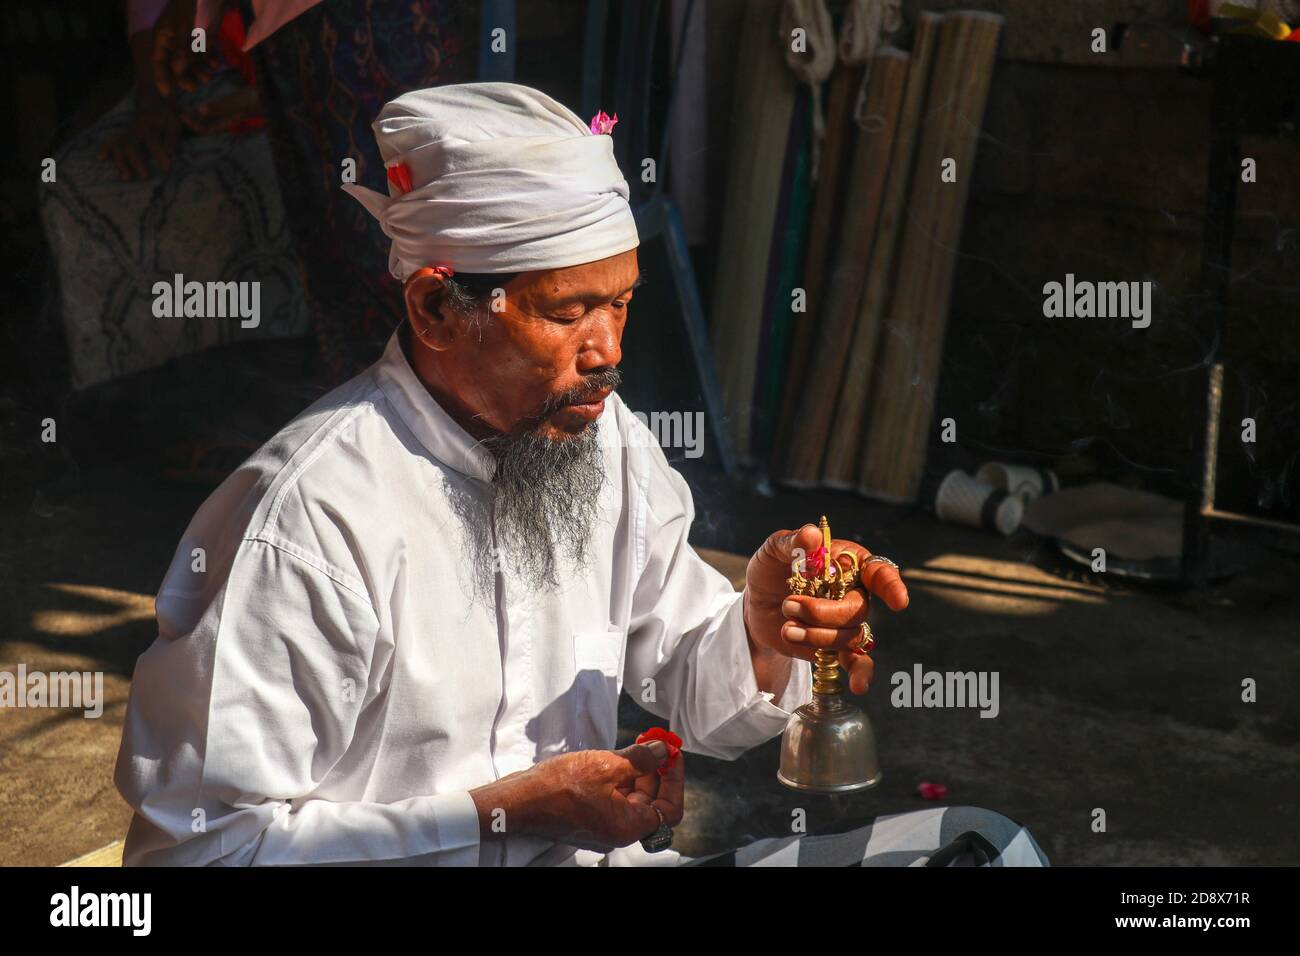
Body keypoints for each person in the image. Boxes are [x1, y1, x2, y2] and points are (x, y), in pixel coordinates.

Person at [114, 82, 1047, 867]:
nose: (607, 354)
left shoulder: (599, 437)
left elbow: (695, 675)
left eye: (623, 304)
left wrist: (763, 635)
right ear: (439, 307)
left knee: (984, 848)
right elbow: (200, 851)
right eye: (566, 314)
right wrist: (500, 813)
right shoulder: (308, 522)